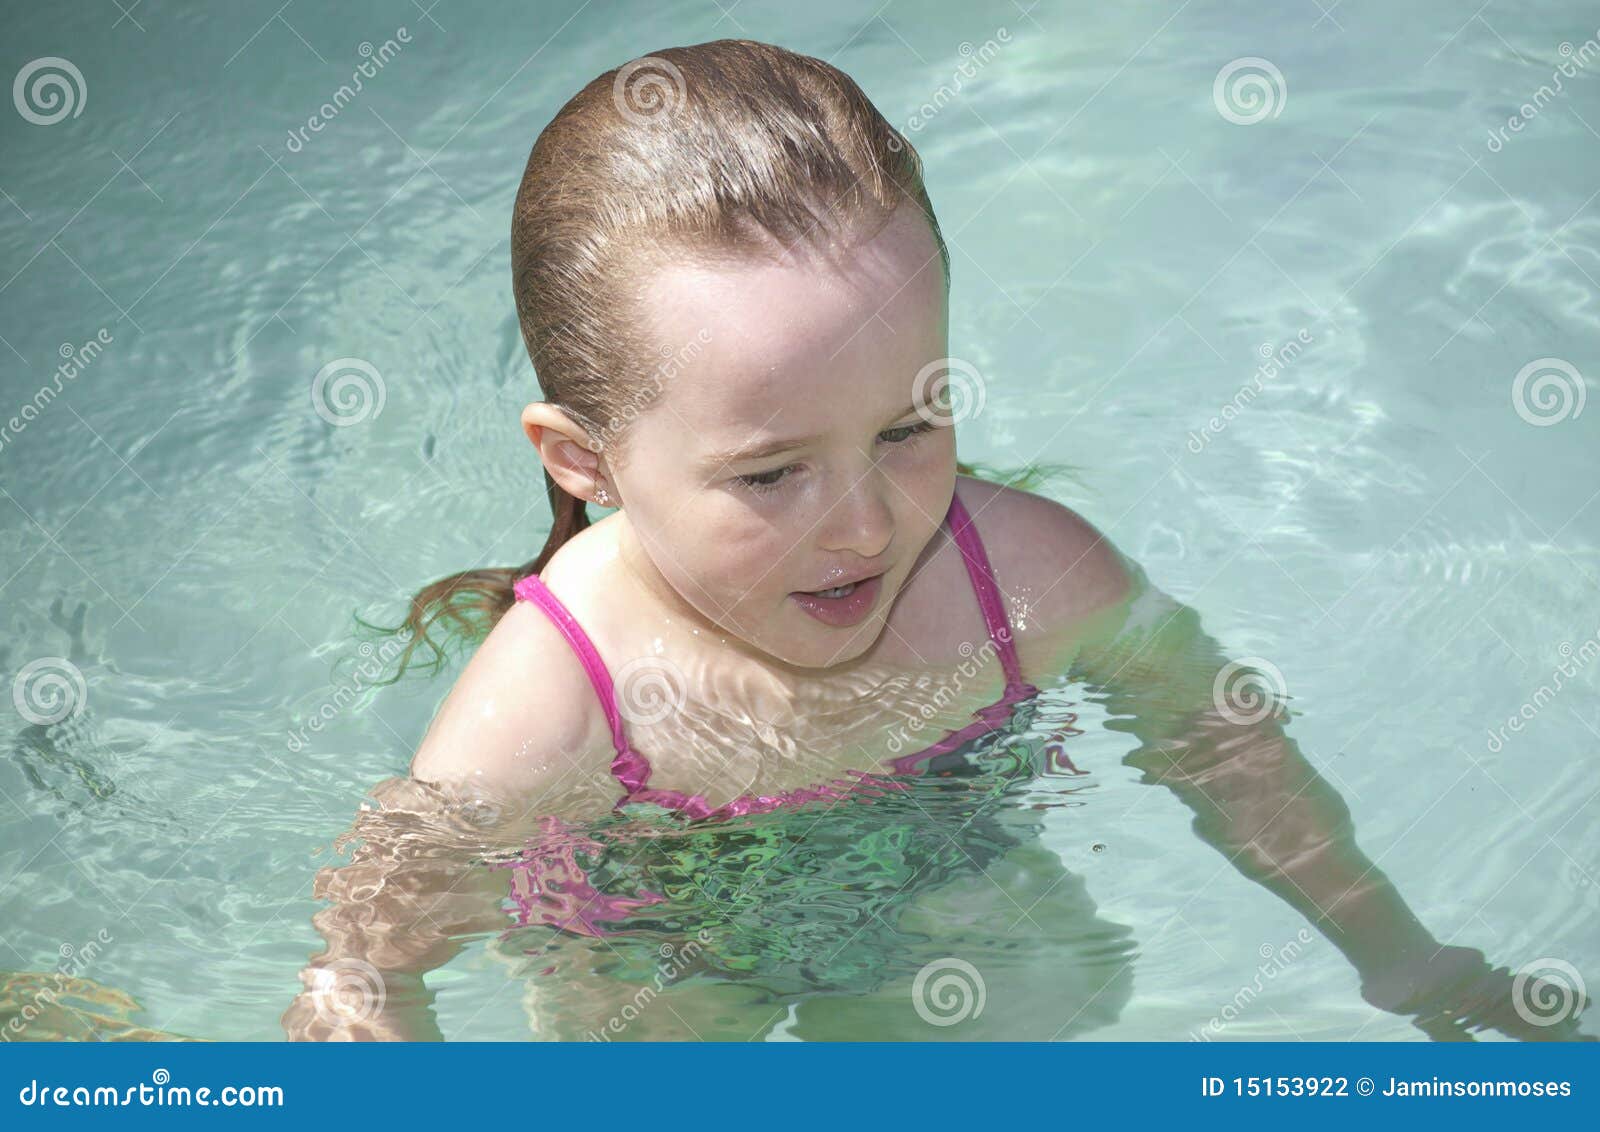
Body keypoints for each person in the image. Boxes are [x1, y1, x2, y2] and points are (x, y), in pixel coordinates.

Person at [281, 39, 1591, 1042]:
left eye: (910, 427)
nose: (867, 524)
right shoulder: (554, 699)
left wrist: (1400, 958)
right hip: (654, 937)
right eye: (771, 472)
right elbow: (366, 960)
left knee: (1055, 990)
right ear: (585, 462)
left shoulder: (1025, 578)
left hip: (938, 885)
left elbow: (1224, 744)